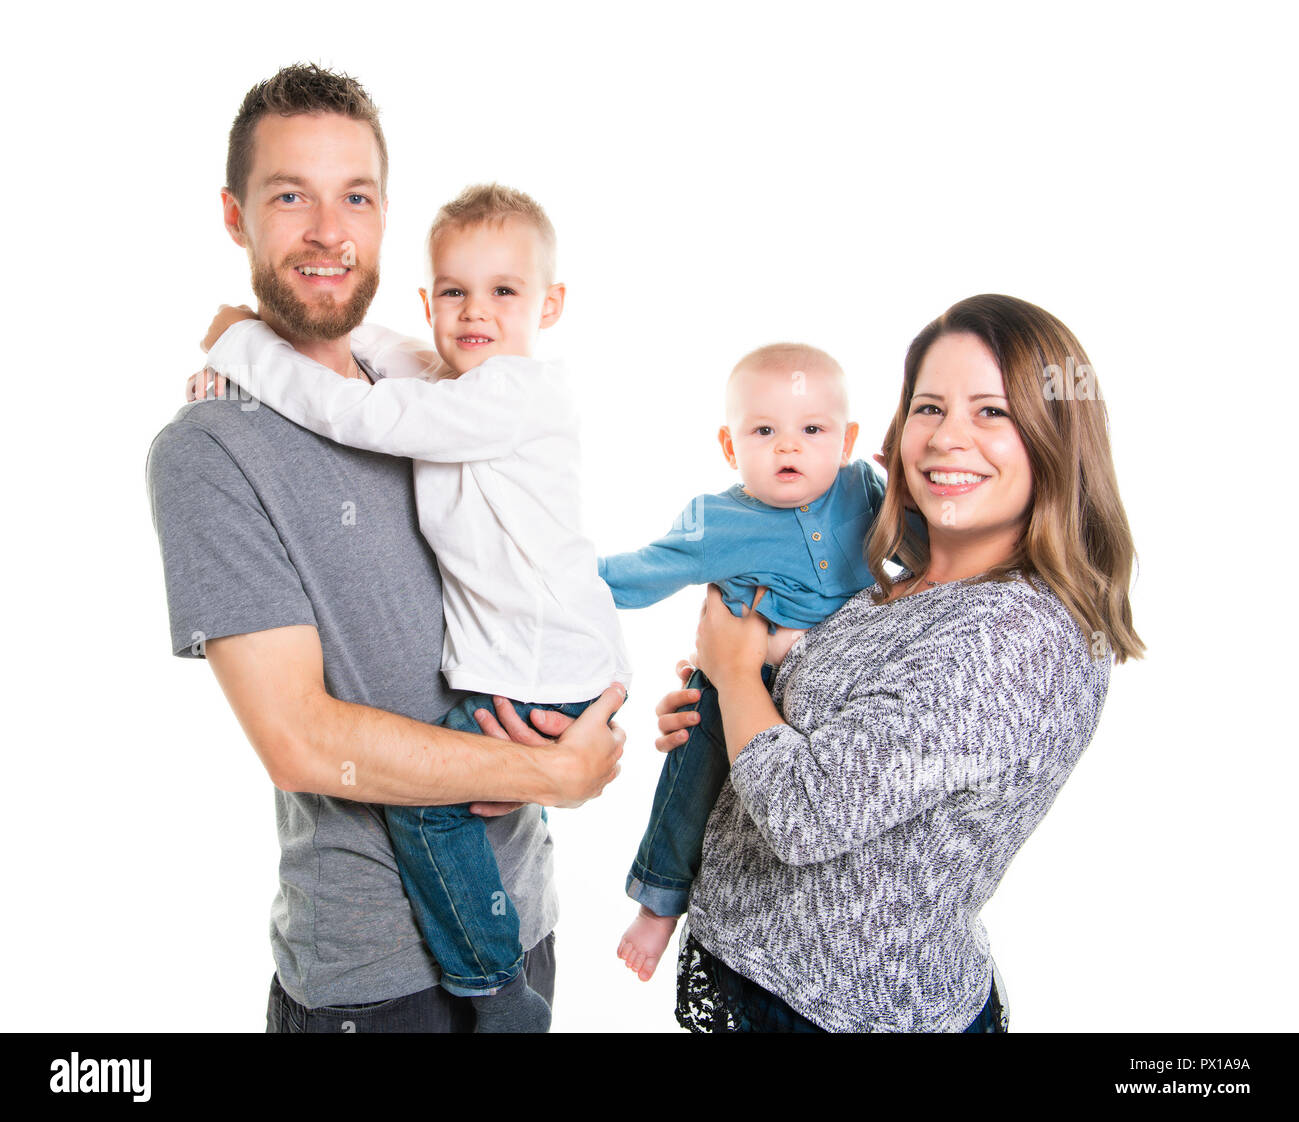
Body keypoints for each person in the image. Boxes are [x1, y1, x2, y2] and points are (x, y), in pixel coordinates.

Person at [145, 64, 625, 1034]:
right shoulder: (211, 448)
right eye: (291, 196)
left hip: (527, 914)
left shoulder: (441, 382)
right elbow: (300, 741)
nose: (328, 229)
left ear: (383, 214)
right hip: (377, 981)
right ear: (235, 217)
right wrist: (556, 772)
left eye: (354, 196)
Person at [655, 294, 1143, 1032]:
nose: (949, 438)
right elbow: (816, 715)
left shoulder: (1014, 636)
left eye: (992, 412)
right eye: (928, 408)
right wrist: (725, 699)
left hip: (844, 1012)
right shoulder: (898, 573)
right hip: (751, 971)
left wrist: (732, 674)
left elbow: (806, 813)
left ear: (1053, 436)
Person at [600, 343, 886, 981]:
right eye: (765, 432)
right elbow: (644, 572)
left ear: (848, 440)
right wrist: (562, 575)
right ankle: (660, 899)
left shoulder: (863, 487)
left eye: (813, 430)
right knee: (690, 770)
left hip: (835, 682)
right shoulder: (718, 522)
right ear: (731, 447)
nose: (790, 448)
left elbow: (918, 546)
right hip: (743, 673)